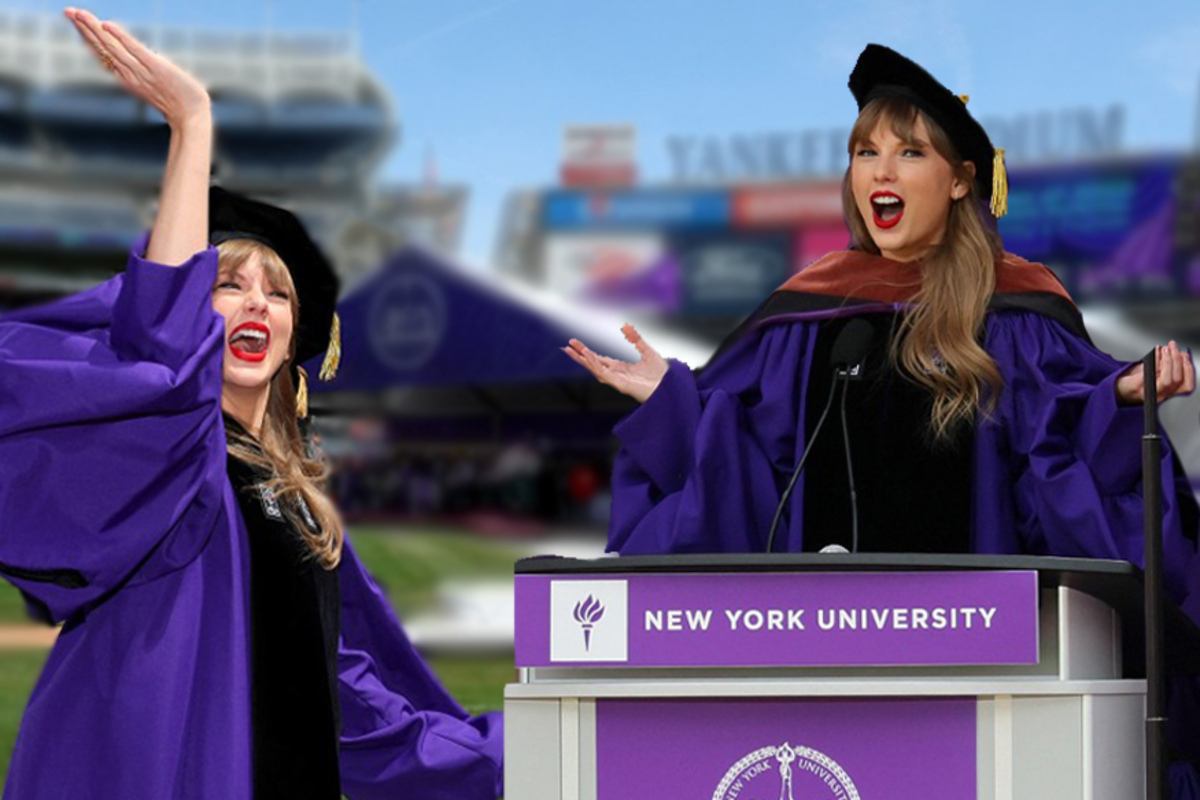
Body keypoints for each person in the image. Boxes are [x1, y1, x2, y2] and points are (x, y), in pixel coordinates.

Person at [567, 44, 1200, 795]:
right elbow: (750, 462)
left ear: (964, 179)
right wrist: (670, 403)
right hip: (829, 658)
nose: (881, 172)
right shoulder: (809, 312)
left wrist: (1118, 403)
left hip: (989, 668)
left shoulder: (1018, 312)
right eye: (865, 152)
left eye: (909, 151)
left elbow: (1054, 461)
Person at [0, 9, 502, 799]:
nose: (255, 308)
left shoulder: (296, 503)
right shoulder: (171, 460)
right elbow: (157, 368)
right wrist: (192, 125)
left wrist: (503, 751)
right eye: (226, 285)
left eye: (277, 293)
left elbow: (347, 697)